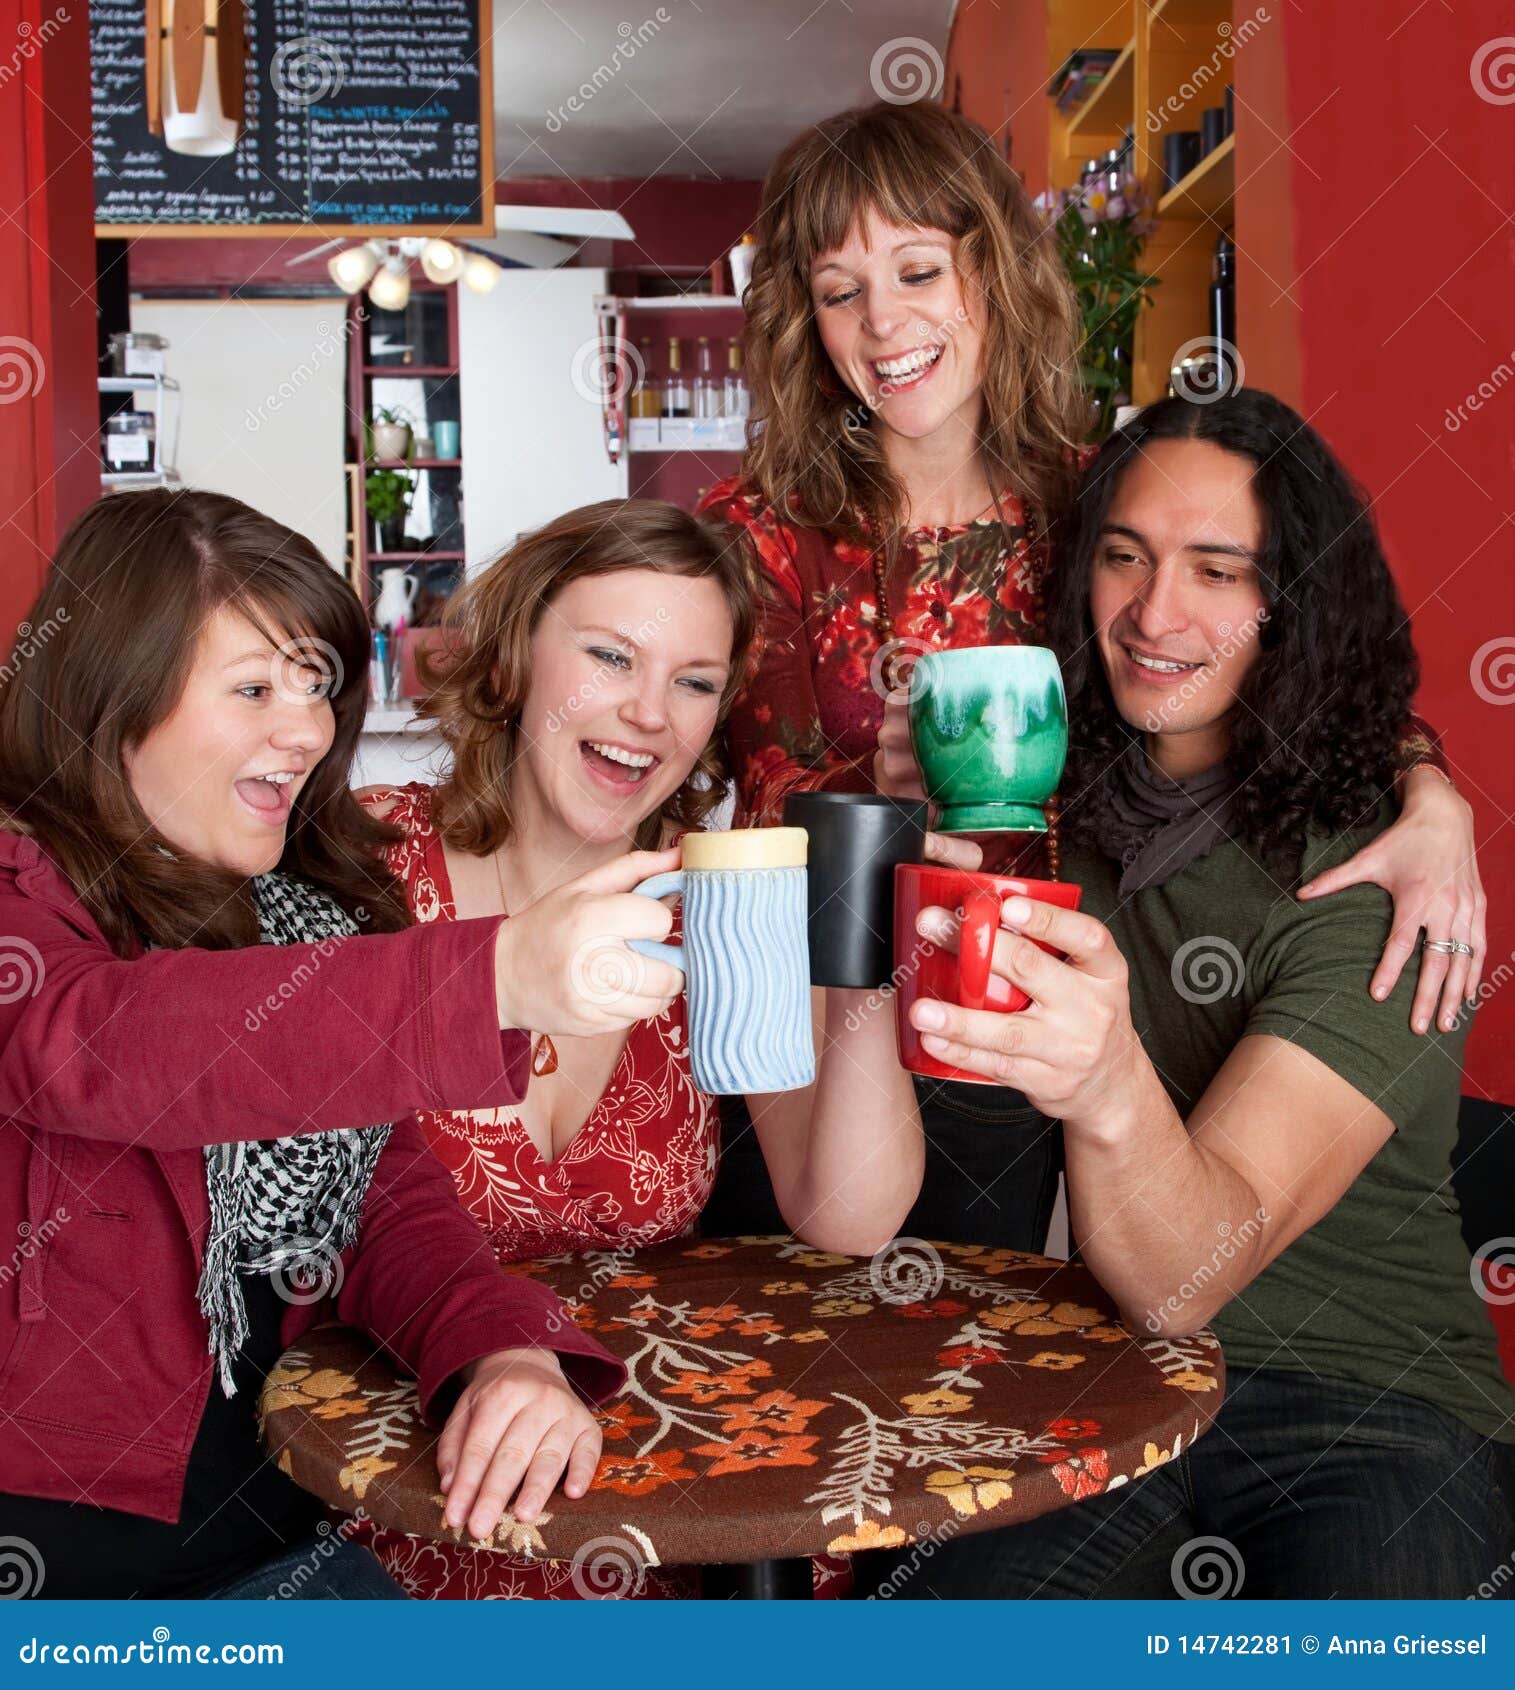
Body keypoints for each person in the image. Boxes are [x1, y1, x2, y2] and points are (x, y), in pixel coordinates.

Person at [698, 99, 1483, 1258]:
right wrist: (879, 789)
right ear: (805, 320)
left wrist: (1433, 794)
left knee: (975, 1398)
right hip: (805, 1032)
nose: (883, 324)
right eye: (839, 291)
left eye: (919, 271)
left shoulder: (1100, 504)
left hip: (1014, 1033)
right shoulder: (754, 533)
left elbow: (1288, 657)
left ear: (994, 276)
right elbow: (757, 804)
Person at [876, 390, 1513, 1599]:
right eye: (1125, 557)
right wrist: (930, 814)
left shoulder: (1374, 876)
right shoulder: (1066, 823)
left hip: (1373, 1402)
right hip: (1115, 1380)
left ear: (1292, 606)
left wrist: (1107, 1076)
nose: (1155, 614)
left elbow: (1185, 1280)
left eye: (1218, 572)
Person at [0, 489, 669, 1599]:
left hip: (288, 1538)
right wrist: (494, 971)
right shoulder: (21, 890)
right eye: (256, 687)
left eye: (318, 683)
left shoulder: (295, 915)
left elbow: (385, 1207)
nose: (310, 729)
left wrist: (506, 1351)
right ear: (112, 699)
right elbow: (107, 1048)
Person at [349, 499, 954, 1600]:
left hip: (662, 1463)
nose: (648, 714)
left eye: (694, 680)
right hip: (417, 1458)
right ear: (512, 664)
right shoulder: (365, 867)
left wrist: (864, 934)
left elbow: (847, 1211)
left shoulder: (722, 898)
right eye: (610, 656)